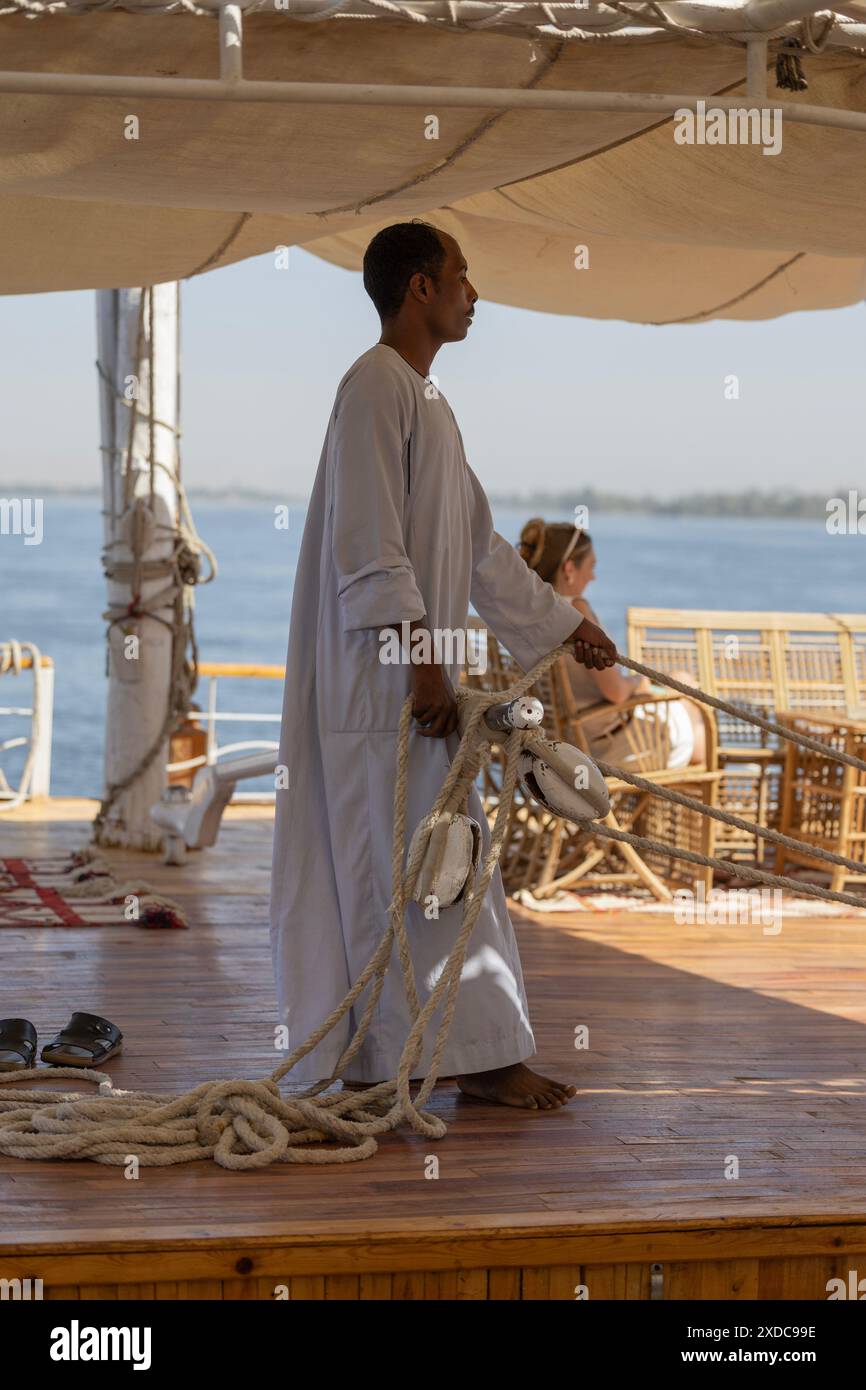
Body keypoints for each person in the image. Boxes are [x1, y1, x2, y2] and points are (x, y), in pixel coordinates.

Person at [269, 221, 617, 1111]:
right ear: (420, 288)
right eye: (463, 277)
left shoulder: (427, 404)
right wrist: (424, 665)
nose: (475, 293)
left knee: (446, 863)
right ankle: (403, 1060)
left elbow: (481, 549)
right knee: (405, 870)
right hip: (384, 688)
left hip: (417, 684)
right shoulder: (372, 391)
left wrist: (561, 628)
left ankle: (461, 1056)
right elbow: (370, 548)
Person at [517, 518, 705, 770]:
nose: (594, 576)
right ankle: (697, 804)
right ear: (569, 569)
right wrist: (640, 683)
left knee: (681, 685)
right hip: (600, 748)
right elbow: (615, 692)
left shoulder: (527, 616)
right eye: (591, 566)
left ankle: (662, 807)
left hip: (552, 745)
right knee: (695, 711)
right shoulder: (575, 612)